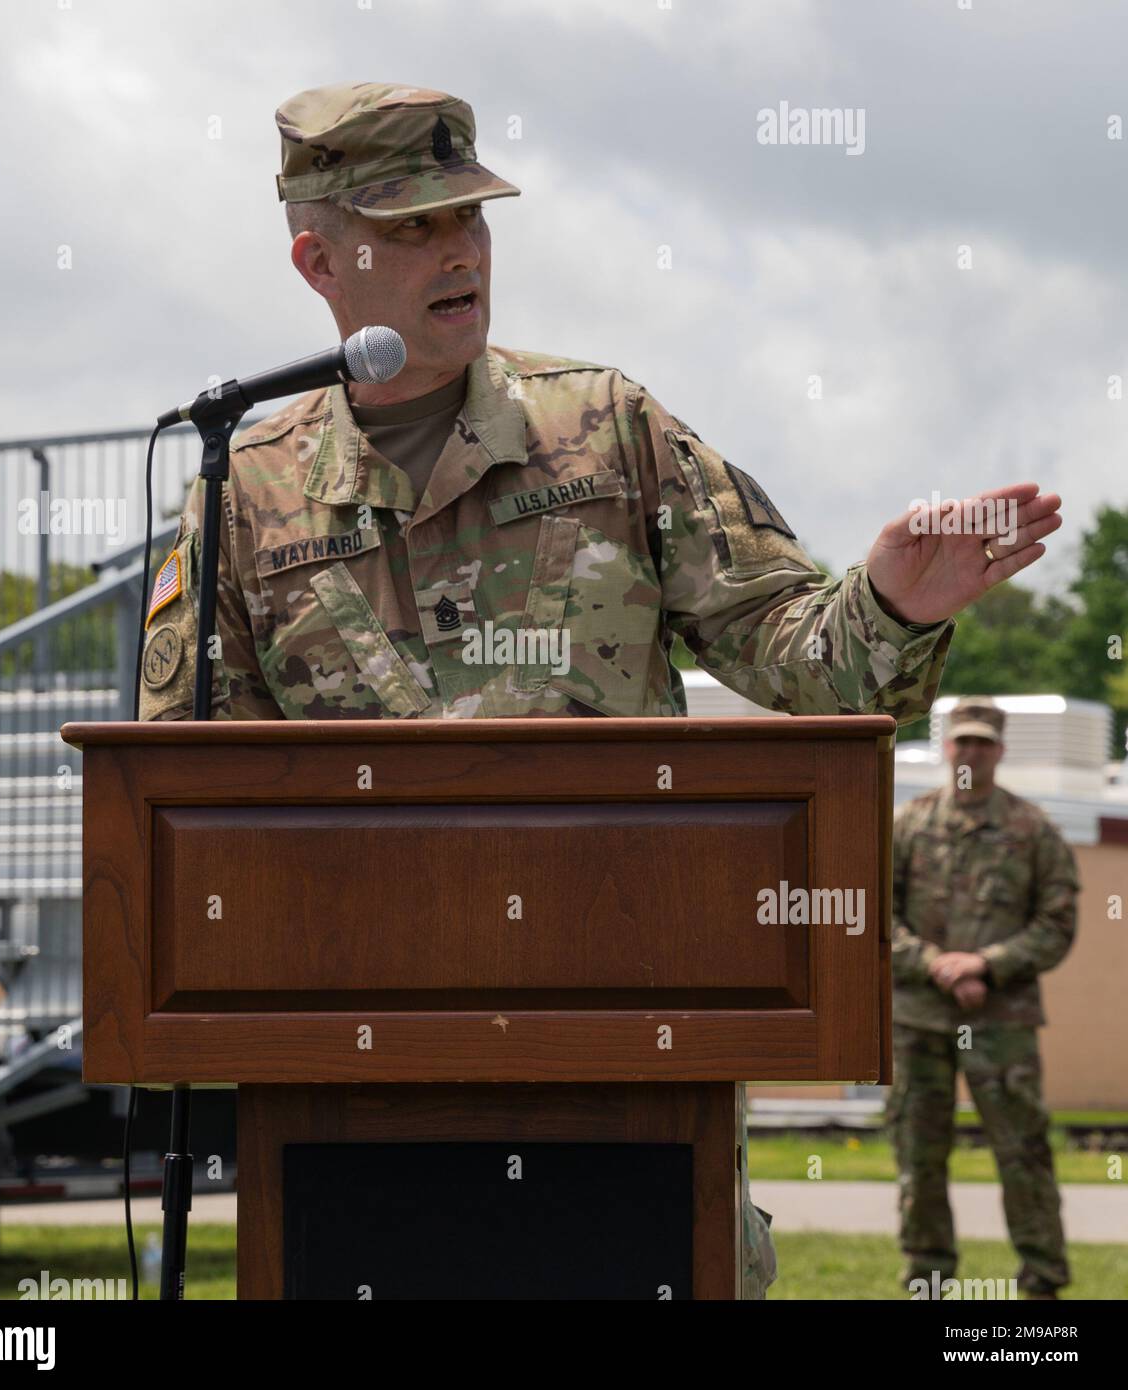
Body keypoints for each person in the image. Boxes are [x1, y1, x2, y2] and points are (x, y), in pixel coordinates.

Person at [138, 82, 1063, 1298]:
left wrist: (892, 600)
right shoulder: (238, 492)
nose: (458, 248)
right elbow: (184, 807)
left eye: (469, 216)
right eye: (409, 229)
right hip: (352, 1105)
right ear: (320, 261)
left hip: (632, 1074)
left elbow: (805, 660)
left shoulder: (607, 431)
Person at [888, 698, 1079, 1299]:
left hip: (1002, 1022)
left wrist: (985, 966)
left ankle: (1042, 1282)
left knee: (1021, 1153)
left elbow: (1057, 922)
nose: (971, 752)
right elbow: (872, 917)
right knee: (919, 1157)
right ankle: (928, 1280)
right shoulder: (908, 825)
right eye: (961, 741)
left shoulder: (1033, 829)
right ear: (946, 748)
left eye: (982, 743)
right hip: (919, 1017)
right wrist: (936, 966)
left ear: (1000, 750)